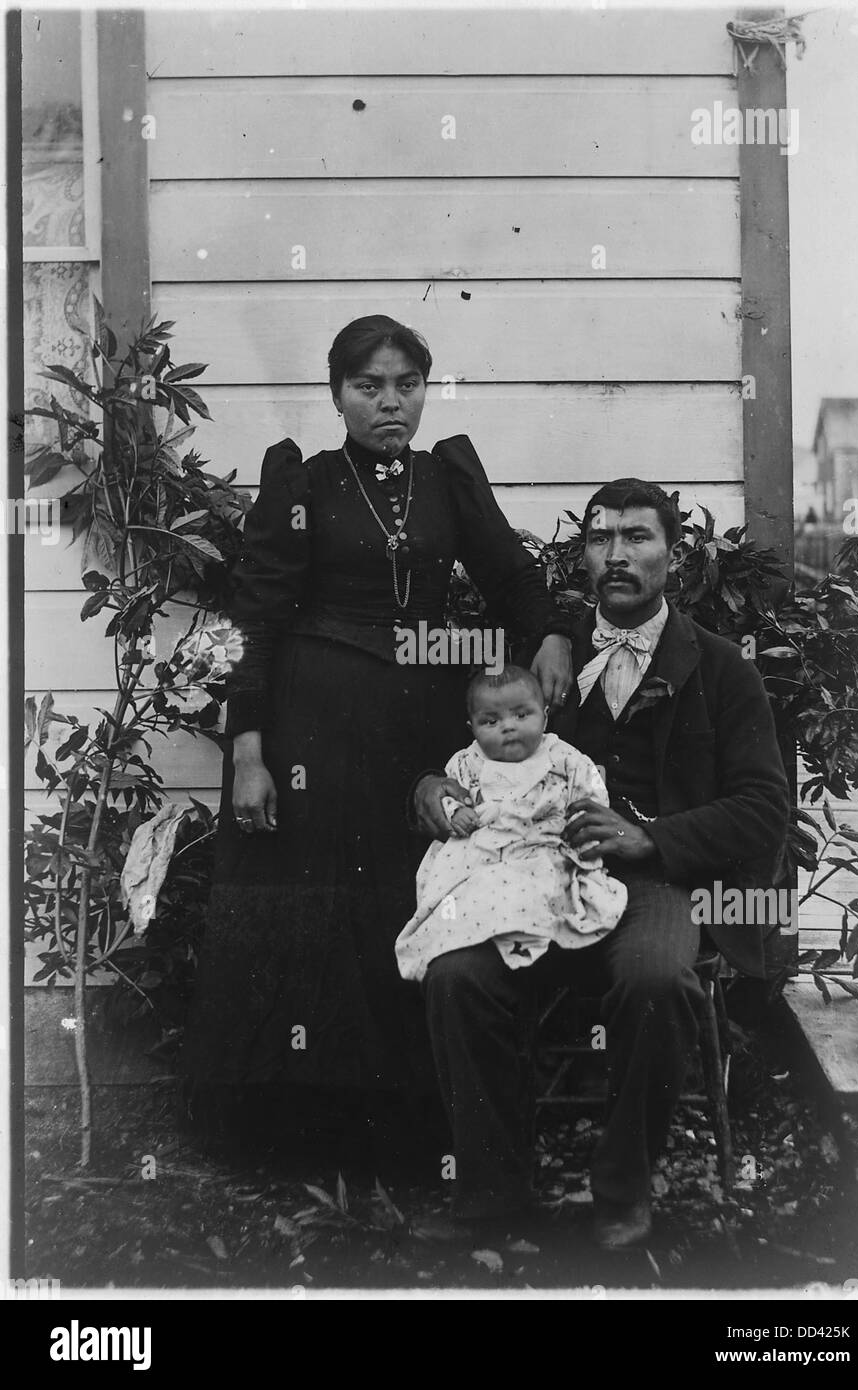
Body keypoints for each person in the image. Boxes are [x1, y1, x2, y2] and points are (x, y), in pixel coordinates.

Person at [179, 315, 573, 1166]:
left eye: (406, 385)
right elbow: (256, 620)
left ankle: (402, 1134)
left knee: (400, 903)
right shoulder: (303, 481)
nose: (390, 403)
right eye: (369, 387)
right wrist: (248, 752)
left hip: (414, 725)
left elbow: (509, 573)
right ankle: (283, 1135)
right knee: (305, 912)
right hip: (308, 719)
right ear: (337, 395)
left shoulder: (447, 480)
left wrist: (547, 633)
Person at [413, 478, 790, 1246]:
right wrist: (428, 787)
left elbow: (763, 810)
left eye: (638, 537)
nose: (616, 554)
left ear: (675, 556)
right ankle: (491, 1193)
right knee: (456, 976)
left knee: (656, 977)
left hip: (658, 882)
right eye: (599, 539)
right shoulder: (540, 665)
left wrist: (654, 839)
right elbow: (462, 759)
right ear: (582, 556)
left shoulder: (722, 669)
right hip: (532, 878)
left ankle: (622, 1188)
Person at [395, 665, 628, 980]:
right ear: (472, 727)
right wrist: (455, 812)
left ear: (544, 716)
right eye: (491, 721)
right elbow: (453, 793)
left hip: (540, 846)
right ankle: (471, 934)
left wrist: (577, 821)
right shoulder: (468, 761)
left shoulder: (563, 757)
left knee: (537, 885)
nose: (508, 727)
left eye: (522, 716)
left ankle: (522, 936)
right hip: (479, 852)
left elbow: (591, 797)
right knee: (457, 893)